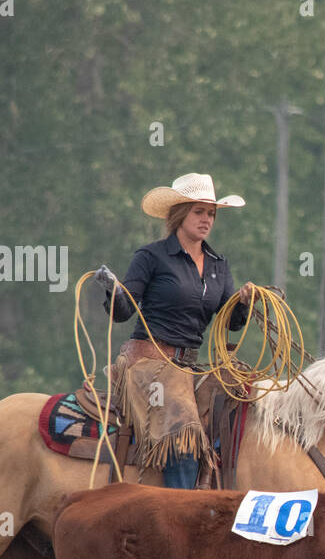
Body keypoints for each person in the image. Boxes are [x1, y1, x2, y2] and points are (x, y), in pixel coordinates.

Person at [101, 172, 254, 488]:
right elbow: (124, 310)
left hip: (190, 368)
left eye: (211, 213)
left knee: (243, 408)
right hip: (149, 365)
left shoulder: (217, 265)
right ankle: (180, 514)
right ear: (180, 214)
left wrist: (243, 303)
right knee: (183, 436)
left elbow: (231, 323)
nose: (206, 220)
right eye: (199, 212)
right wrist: (115, 292)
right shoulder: (151, 257)